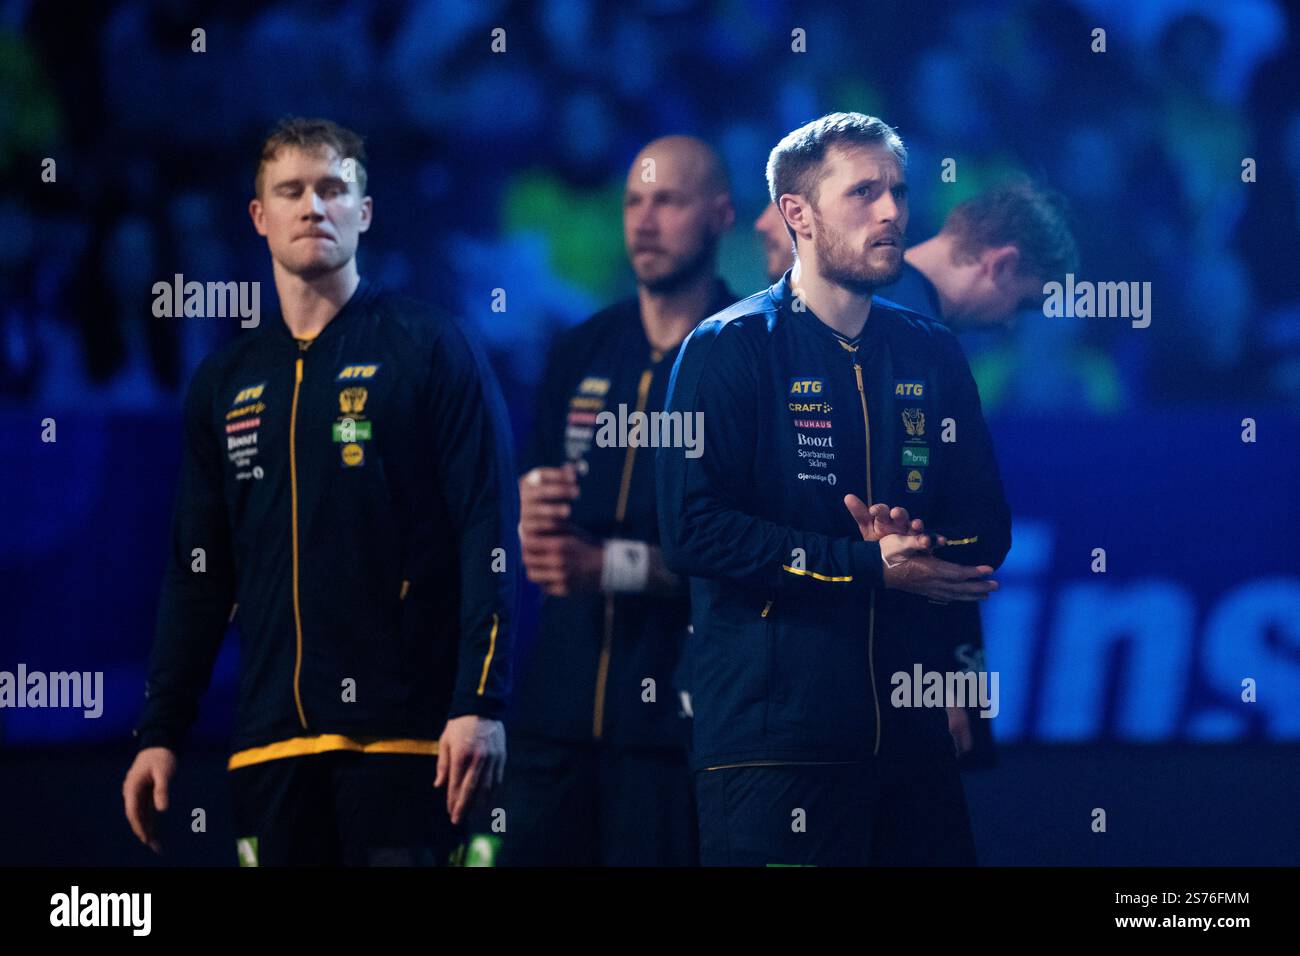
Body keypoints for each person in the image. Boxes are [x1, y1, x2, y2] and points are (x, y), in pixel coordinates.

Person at [122, 118, 518, 866]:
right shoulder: (225, 381)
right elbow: (196, 575)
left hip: (410, 740)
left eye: (334, 189)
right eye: (292, 191)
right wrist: (160, 732)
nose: (314, 207)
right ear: (259, 216)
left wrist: (480, 703)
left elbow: (487, 533)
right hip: (270, 749)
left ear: (364, 213)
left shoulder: (432, 346)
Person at [658, 112, 1012, 865]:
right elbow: (692, 528)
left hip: (913, 748)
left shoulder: (932, 351)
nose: (891, 212)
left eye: (898, 192)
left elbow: (987, 528)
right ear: (798, 214)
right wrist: (867, 563)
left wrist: (914, 545)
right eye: (863, 193)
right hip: (774, 751)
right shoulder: (725, 350)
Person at [754, 179, 1075, 768]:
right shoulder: (901, 329)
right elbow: (895, 528)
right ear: (1001, 265)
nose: (1010, 325)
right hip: (870, 676)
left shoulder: (879, 313)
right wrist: (942, 684)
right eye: (1024, 304)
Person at [496, 136, 736, 866]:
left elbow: (761, 559)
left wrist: (615, 564)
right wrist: (532, 519)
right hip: (553, 723)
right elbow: (538, 505)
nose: (644, 219)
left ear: (720, 216)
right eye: (634, 200)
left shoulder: (754, 356)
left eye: (668, 201)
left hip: (676, 736)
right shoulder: (580, 350)